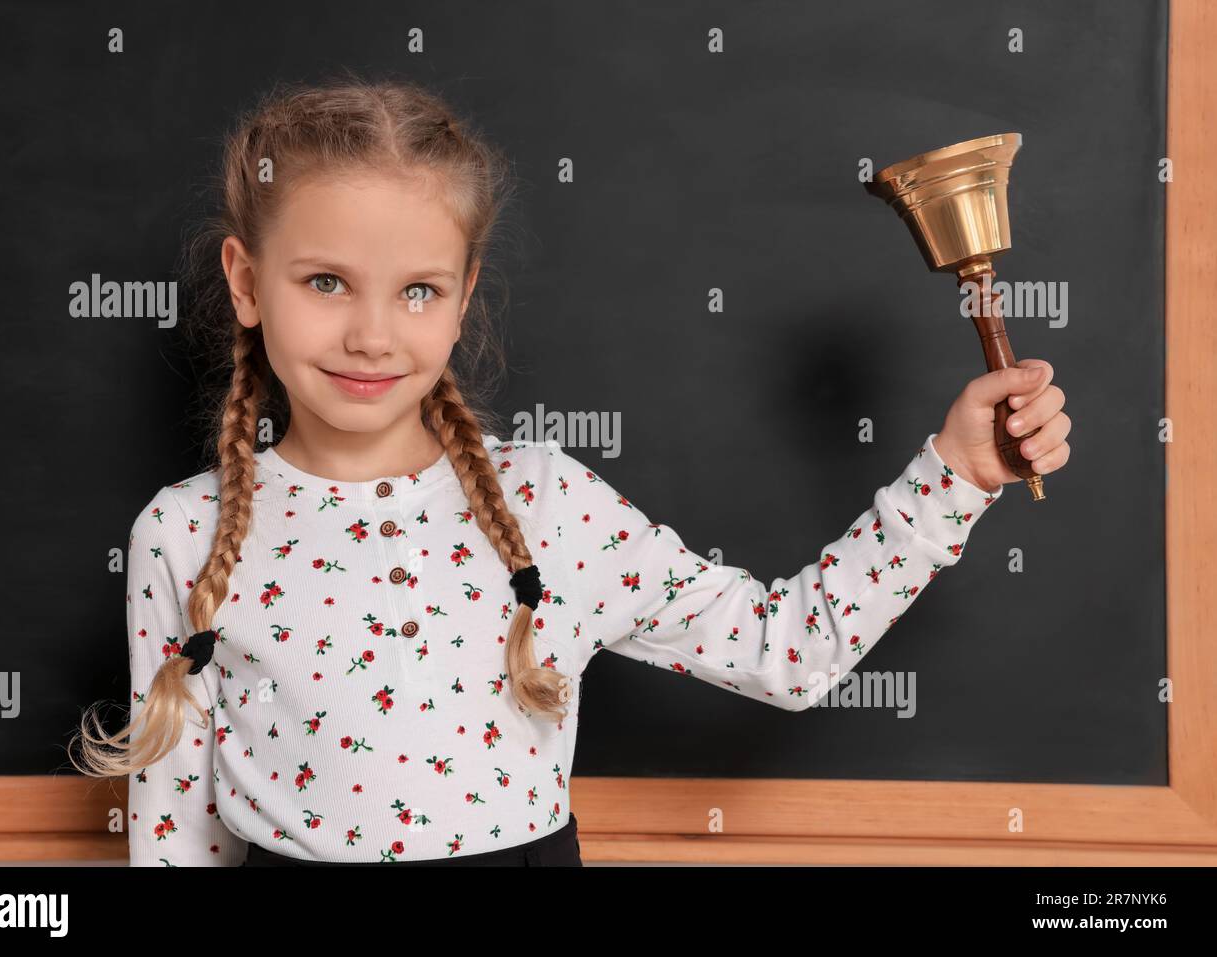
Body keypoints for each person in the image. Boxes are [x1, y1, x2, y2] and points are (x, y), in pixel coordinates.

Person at [68, 71, 1071, 866]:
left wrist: (956, 473)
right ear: (247, 282)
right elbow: (174, 835)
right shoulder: (182, 533)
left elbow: (786, 654)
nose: (371, 334)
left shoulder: (551, 506)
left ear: (463, 298)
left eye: (417, 290)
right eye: (326, 281)